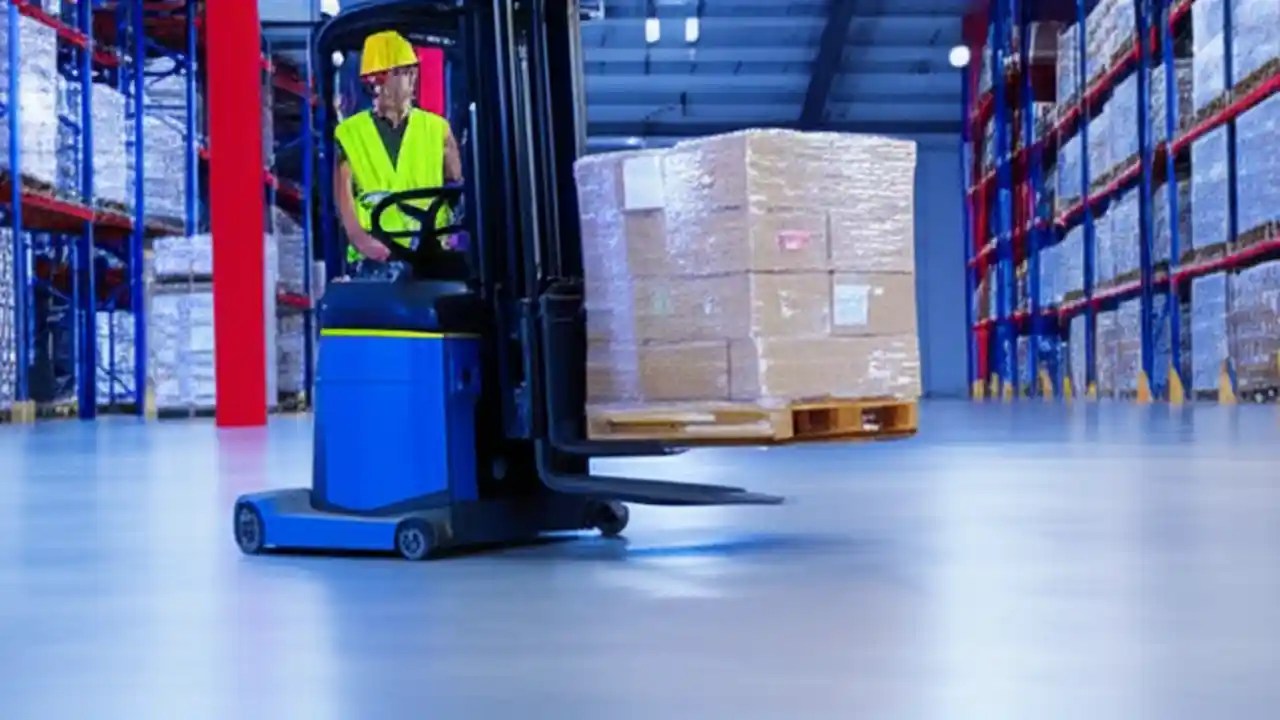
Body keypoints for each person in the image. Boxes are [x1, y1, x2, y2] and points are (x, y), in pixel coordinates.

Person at [334, 31, 463, 281]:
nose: (378, 88)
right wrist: (365, 244)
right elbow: (344, 204)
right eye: (401, 72)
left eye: (410, 70)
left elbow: (457, 188)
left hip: (431, 256)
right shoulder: (349, 133)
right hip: (375, 263)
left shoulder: (438, 129)